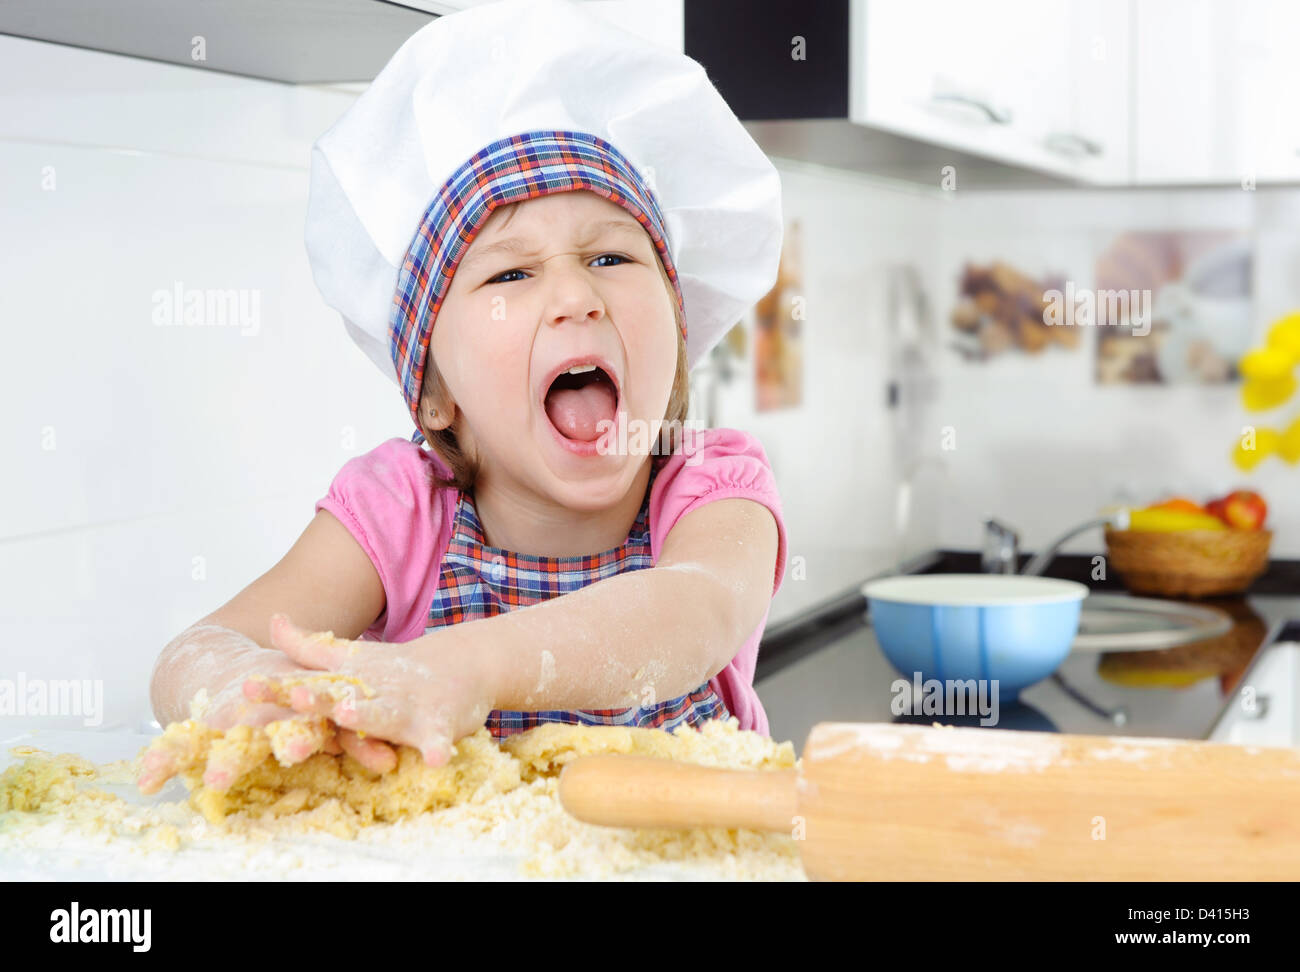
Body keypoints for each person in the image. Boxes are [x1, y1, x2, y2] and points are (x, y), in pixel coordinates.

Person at [141, 0, 786, 791]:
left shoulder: (710, 488)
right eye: (511, 273)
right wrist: (254, 701)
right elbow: (197, 649)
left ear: (680, 335)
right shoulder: (403, 514)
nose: (575, 296)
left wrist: (466, 667)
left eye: (612, 256)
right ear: (435, 394)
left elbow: (695, 613)